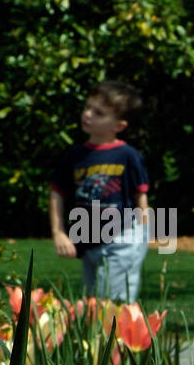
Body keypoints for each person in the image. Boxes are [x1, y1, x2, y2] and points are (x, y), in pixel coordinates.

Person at [48, 81, 149, 302]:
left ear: (119, 126)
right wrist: (59, 233)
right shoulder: (74, 156)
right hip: (89, 240)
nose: (88, 114)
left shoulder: (128, 156)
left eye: (99, 112)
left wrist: (143, 234)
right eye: (88, 107)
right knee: (93, 303)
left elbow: (140, 197)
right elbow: (57, 193)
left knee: (112, 304)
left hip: (122, 238)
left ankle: (119, 336)